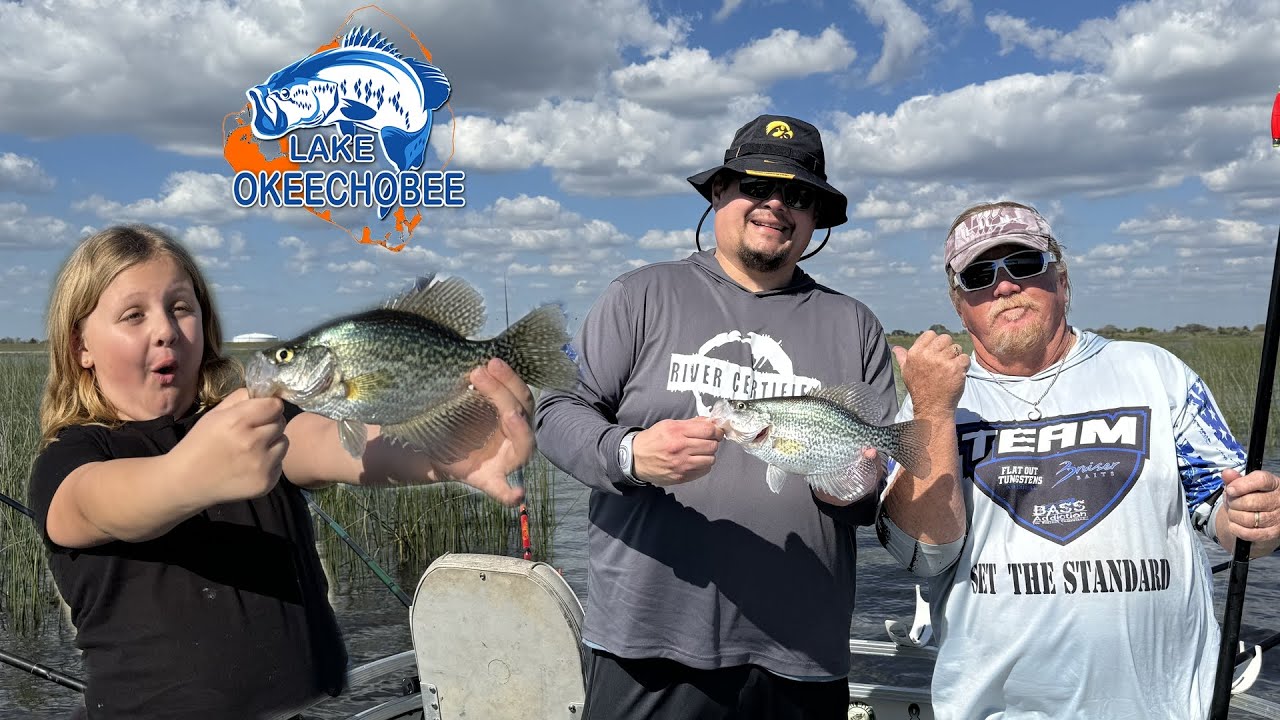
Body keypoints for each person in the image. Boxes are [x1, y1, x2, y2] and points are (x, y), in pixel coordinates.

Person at [26, 224, 535, 720]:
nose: (165, 330)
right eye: (133, 316)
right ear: (80, 348)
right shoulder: (72, 459)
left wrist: (452, 455)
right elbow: (96, 505)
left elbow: (335, 445)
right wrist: (190, 475)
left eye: (181, 308)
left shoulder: (255, 425)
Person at [535, 115, 895, 719]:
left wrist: (855, 491)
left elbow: (875, 487)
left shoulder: (853, 324)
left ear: (815, 219)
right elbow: (555, 411)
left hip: (801, 651)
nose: (777, 203)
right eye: (756, 184)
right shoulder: (641, 295)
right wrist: (628, 454)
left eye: (800, 195)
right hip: (647, 646)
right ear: (719, 193)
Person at [879, 201, 1280, 719]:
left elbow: (1223, 514)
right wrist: (933, 407)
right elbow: (919, 553)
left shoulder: (1154, 371)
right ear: (960, 305)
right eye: (979, 275)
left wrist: (1256, 518)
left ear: (1061, 279)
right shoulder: (933, 401)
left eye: (1023, 265)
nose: (1004, 286)